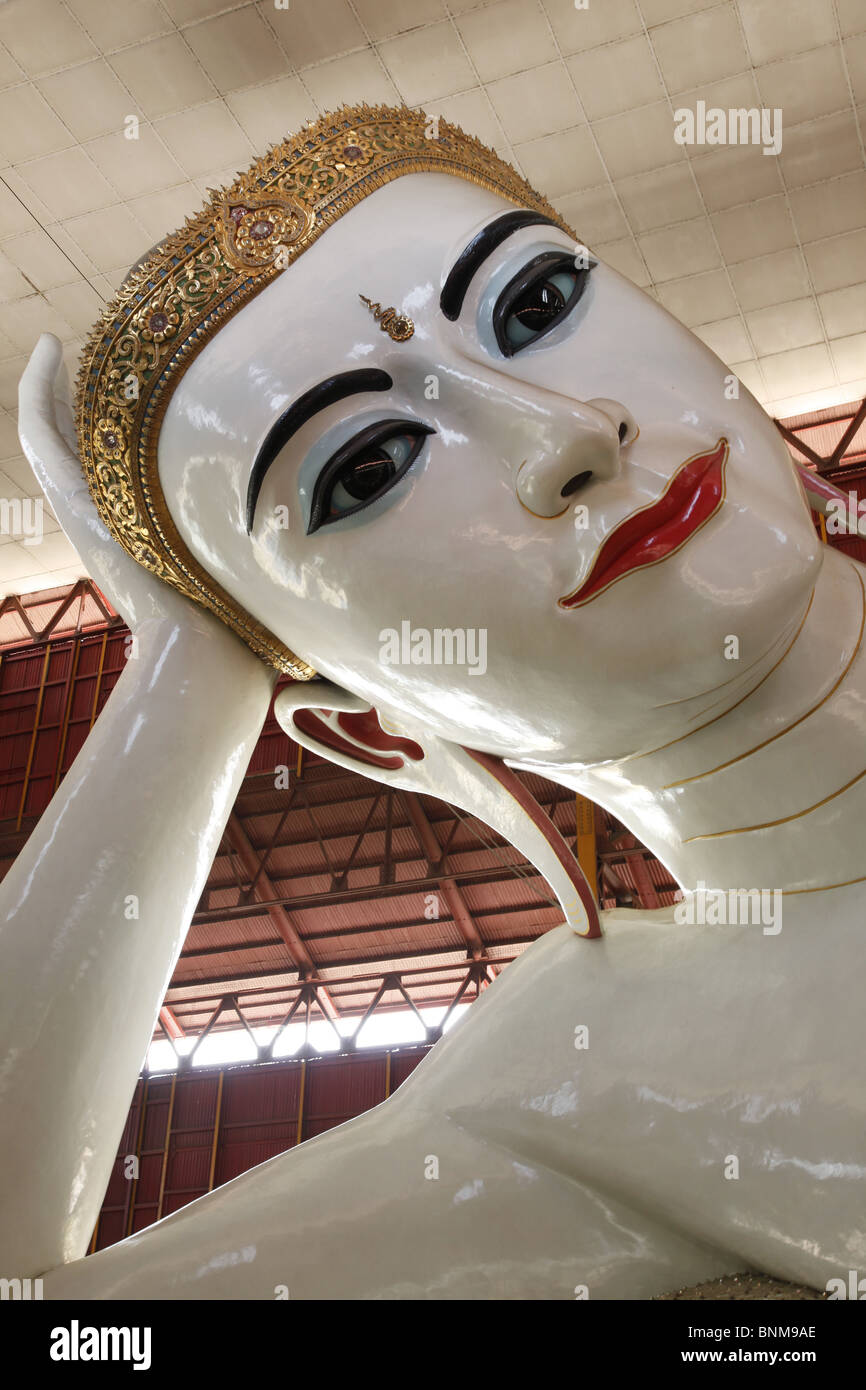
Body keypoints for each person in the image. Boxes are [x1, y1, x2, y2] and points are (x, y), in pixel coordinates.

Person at [3, 105, 863, 1300]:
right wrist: (184, 676)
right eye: (369, 466)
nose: (565, 438)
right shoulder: (587, 1081)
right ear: (369, 725)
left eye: (537, 304)